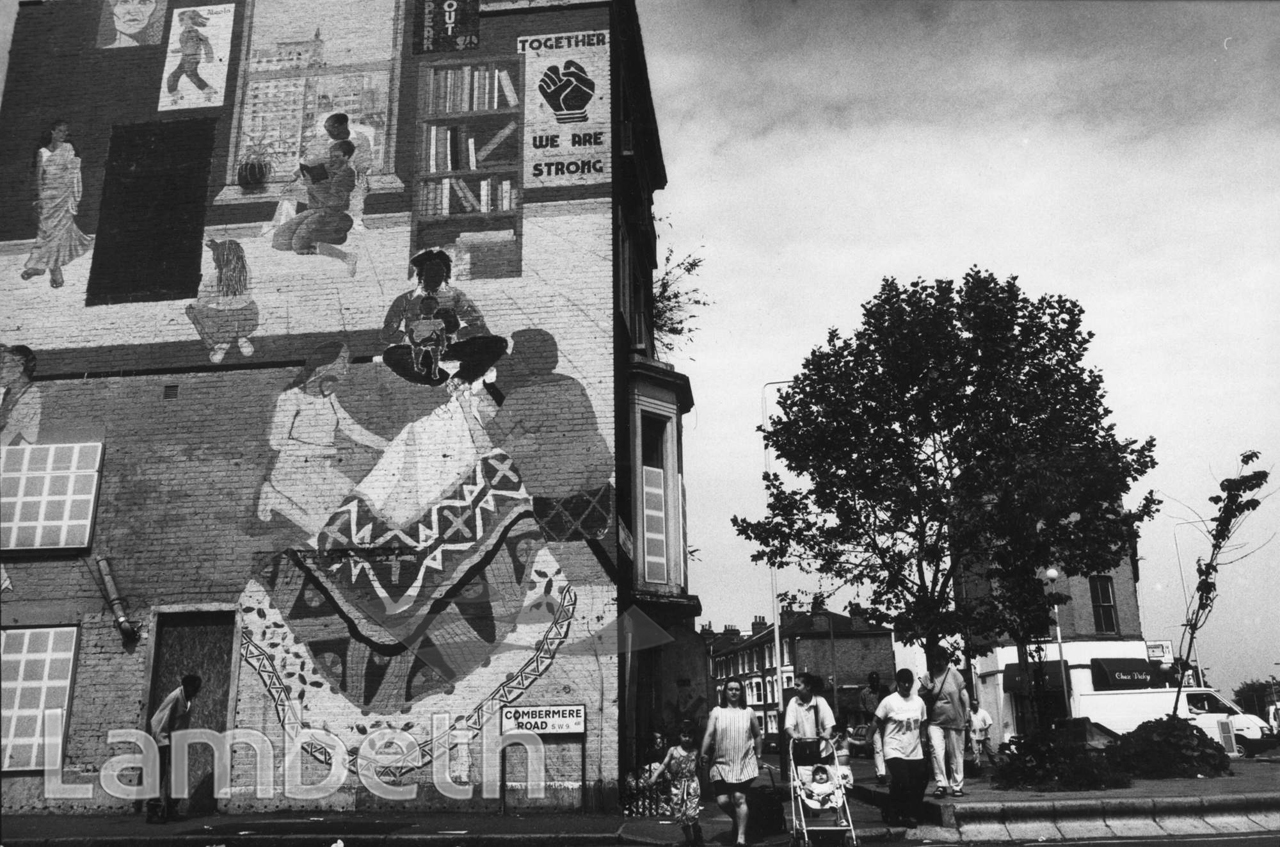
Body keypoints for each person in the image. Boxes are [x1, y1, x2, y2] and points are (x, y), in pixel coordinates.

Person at [257, 341, 390, 536]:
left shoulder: (328, 397)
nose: (346, 366)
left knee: (359, 507)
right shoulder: (290, 398)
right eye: (342, 361)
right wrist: (323, 450)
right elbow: (276, 442)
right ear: (324, 365)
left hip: (321, 472)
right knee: (327, 529)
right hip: (291, 474)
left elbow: (351, 427)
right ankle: (272, 497)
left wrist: (387, 445)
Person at [379, 248, 508, 390]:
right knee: (391, 355)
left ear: (445, 276)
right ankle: (435, 376)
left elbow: (478, 324)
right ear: (421, 275)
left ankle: (461, 377)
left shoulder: (455, 296)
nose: (435, 282)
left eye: (439, 276)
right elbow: (387, 333)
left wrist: (456, 336)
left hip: (449, 347)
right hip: (418, 349)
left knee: (499, 343)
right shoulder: (405, 299)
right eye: (430, 276)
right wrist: (409, 339)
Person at [21, 120, 93, 289]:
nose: (63, 134)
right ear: (52, 132)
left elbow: (73, 172)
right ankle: (44, 268)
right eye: (59, 131)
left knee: (57, 234)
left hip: (63, 197)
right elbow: (39, 178)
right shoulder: (43, 152)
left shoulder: (68, 149)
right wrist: (39, 198)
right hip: (48, 198)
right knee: (46, 233)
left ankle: (50, 269)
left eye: (65, 132)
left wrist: (73, 169)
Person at [272, 140, 359, 276]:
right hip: (314, 211)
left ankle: (346, 257)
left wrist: (310, 185)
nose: (332, 160)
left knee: (299, 245)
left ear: (347, 157)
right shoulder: (326, 166)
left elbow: (333, 201)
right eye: (331, 156)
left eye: (337, 157)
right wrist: (294, 178)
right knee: (279, 240)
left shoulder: (346, 175)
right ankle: (313, 238)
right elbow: (303, 169)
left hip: (332, 215)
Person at [700, 677, 761, 847]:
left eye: (737, 689)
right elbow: (709, 734)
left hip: (743, 762)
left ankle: (741, 838)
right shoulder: (717, 712)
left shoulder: (748, 712)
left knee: (739, 798)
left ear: (741, 692)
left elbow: (757, 735)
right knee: (723, 801)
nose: (734, 692)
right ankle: (744, 820)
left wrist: (759, 754)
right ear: (724, 692)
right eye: (730, 689)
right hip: (721, 763)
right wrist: (703, 753)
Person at [186, 239, 257, 363]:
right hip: (248, 318)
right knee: (236, 311)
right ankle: (242, 338)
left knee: (190, 309)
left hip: (224, 321)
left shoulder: (215, 277)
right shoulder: (247, 270)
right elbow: (230, 254)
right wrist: (215, 247)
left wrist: (199, 301)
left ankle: (222, 343)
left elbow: (203, 298)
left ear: (217, 259)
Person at [875, 668, 929, 828]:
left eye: (909, 682)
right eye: (903, 682)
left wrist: (925, 740)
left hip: (914, 750)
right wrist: (868, 738)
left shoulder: (919, 702)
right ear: (897, 683)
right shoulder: (889, 701)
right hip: (894, 749)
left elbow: (924, 723)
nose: (906, 685)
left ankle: (897, 808)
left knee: (921, 780)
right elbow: (876, 721)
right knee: (903, 782)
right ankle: (904, 815)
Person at [147, 674, 201, 823]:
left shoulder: (187, 699)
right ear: (187, 686)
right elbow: (158, 721)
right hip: (164, 742)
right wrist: (163, 742)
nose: (196, 692)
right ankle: (152, 812)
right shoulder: (175, 697)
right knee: (159, 776)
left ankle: (170, 809)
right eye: (194, 688)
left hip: (177, 742)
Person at [919, 647, 970, 798]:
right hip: (935, 722)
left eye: (940, 659)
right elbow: (920, 695)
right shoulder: (928, 676)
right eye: (935, 660)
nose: (937, 663)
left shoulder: (954, 674)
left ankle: (957, 785)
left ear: (945, 660)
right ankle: (941, 784)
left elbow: (963, 693)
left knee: (956, 753)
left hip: (955, 720)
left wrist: (967, 710)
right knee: (936, 751)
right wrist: (927, 690)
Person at [644, 721, 704, 847]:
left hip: (692, 784)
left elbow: (702, 763)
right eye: (684, 735)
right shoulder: (673, 750)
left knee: (692, 813)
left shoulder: (695, 751)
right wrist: (654, 776)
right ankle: (689, 839)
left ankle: (696, 831)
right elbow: (664, 764)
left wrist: (704, 760)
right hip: (677, 786)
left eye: (690, 736)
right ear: (679, 736)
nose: (687, 739)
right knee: (680, 814)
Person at [166, 9, 218, 106]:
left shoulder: (193, 32)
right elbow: (187, 47)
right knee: (177, 76)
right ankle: (176, 93)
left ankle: (207, 90)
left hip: (192, 58)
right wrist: (176, 50)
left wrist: (209, 56)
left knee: (190, 75)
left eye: (183, 19)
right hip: (185, 58)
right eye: (180, 19)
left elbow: (205, 43)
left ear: (191, 20)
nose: (181, 21)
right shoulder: (185, 32)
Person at [1, 345, 41, 447]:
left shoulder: (31, 396)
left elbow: (6, 437)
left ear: (20, 366)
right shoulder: (8, 393)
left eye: (4, 363)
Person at [784, 671, 836, 742]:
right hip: (801, 747)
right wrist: (794, 734)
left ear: (808, 686)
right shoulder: (793, 702)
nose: (795, 687)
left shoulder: (820, 701)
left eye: (798, 685)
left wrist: (826, 734)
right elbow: (788, 726)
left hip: (821, 749)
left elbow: (829, 725)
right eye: (794, 685)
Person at [860, 670, 888, 784]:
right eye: (873, 681)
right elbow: (862, 708)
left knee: (888, 746)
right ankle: (881, 773)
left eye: (877, 680)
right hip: (872, 722)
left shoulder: (884, 691)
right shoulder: (865, 693)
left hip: (885, 722)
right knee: (878, 748)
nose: (875, 683)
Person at [969, 699, 996, 773]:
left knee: (989, 751)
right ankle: (977, 768)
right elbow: (967, 723)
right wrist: (970, 728)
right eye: (972, 705)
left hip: (984, 735)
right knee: (976, 752)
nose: (974, 706)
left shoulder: (983, 713)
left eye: (975, 704)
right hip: (974, 735)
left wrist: (984, 728)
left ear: (978, 704)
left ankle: (995, 764)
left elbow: (989, 723)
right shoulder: (970, 713)